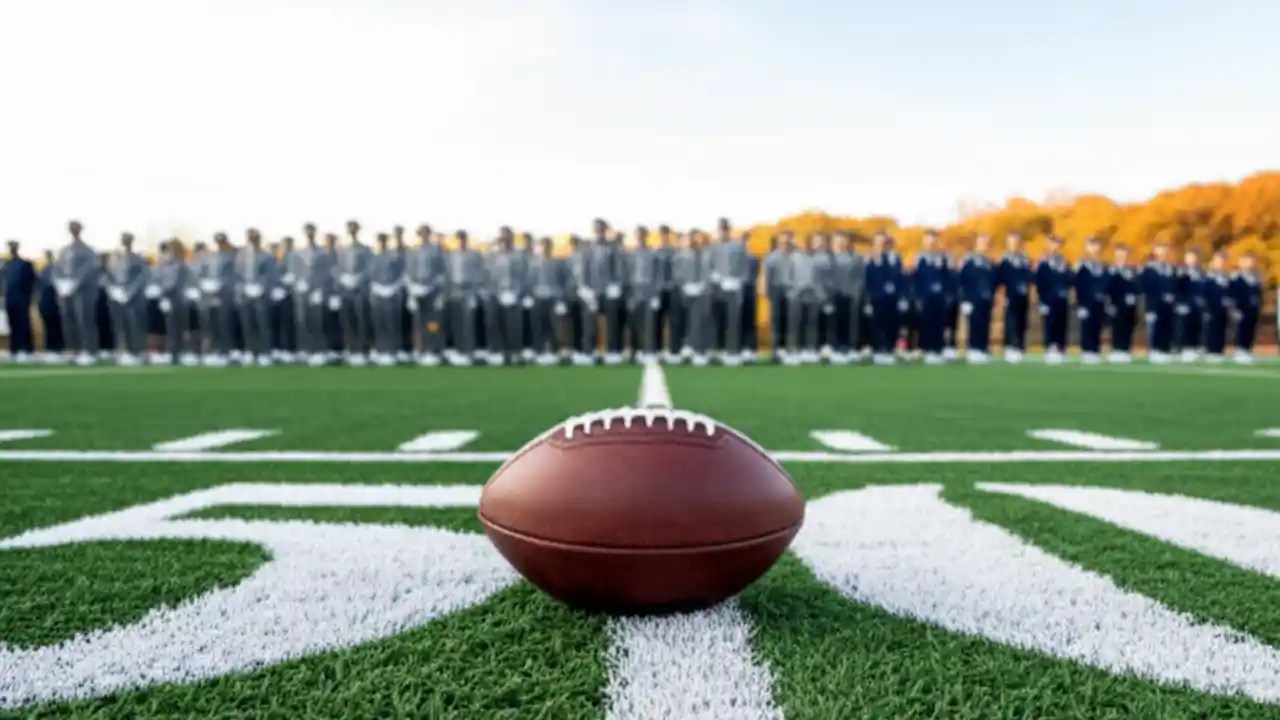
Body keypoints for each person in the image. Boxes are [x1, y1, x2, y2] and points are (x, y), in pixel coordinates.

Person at [52, 220, 100, 365]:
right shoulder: (64, 250)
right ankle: (72, 349)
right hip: (66, 291)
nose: (73, 231)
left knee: (84, 320)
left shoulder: (88, 250)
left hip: (83, 291)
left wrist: (75, 282)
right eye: (71, 228)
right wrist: (60, 284)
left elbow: (89, 269)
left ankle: (88, 350)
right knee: (68, 320)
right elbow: (57, 269)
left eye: (75, 228)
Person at [235, 228, 279, 365]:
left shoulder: (266, 256)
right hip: (245, 293)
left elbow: (270, 275)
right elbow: (238, 275)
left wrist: (260, 286)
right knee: (247, 324)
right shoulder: (241, 256)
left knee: (263, 323)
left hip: (261, 294)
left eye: (255, 237)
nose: (253, 240)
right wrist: (244, 288)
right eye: (250, 237)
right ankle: (250, 351)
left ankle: (265, 352)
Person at [103, 232, 148, 365]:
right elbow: (107, 276)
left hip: (133, 298)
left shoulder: (138, 258)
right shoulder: (115, 258)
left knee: (134, 325)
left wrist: (129, 292)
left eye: (128, 240)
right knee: (119, 325)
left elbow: (142, 277)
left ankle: (136, 352)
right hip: (117, 297)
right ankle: (121, 351)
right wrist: (113, 291)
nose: (126, 242)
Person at [406, 225, 447, 366]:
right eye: (421, 233)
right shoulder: (414, 251)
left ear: (429, 234)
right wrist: (412, 290)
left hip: (432, 290)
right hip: (417, 290)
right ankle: (420, 350)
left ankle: (433, 350)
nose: (423, 236)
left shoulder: (436, 250)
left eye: (426, 233)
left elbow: (442, 272)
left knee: (432, 323)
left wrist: (438, 291)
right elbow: (409, 271)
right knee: (418, 323)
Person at [486, 227, 526, 365]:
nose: (505, 240)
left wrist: (516, 293)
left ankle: (515, 353)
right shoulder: (494, 255)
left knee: (513, 325)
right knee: (496, 324)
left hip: (514, 294)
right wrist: (497, 293)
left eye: (508, 237)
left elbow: (524, 276)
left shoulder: (519, 255)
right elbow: (489, 275)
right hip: (497, 294)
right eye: (503, 237)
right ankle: (499, 353)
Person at [335, 220, 373, 365]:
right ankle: (350, 349)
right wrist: (344, 278)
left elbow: (370, 268)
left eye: (354, 228)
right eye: (350, 228)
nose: (352, 231)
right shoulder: (342, 250)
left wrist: (359, 277)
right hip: (346, 290)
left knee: (362, 319)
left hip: (361, 289)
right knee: (348, 320)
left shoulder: (366, 249)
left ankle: (363, 351)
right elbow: (337, 269)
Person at [913, 230, 954, 364]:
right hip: (925, 296)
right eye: (928, 240)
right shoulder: (919, 257)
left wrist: (948, 293)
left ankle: (938, 349)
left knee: (939, 322)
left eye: (933, 240)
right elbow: (915, 278)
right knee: (926, 322)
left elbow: (950, 277)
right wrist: (917, 296)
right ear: (924, 241)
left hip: (940, 296)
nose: (931, 243)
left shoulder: (944, 257)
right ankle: (926, 350)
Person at [671, 230, 711, 365]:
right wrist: (684, 286)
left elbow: (709, 272)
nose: (695, 241)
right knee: (683, 322)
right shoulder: (681, 255)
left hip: (702, 293)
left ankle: (699, 351)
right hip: (685, 292)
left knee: (698, 322)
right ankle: (685, 349)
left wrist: (702, 285)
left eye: (698, 238)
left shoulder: (706, 254)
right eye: (693, 238)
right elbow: (676, 273)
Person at [445, 230, 485, 366]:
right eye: (459, 238)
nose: (461, 241)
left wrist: (476, 291)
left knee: (468, 322)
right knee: (456, 322)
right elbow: (447, 273)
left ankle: (469, 351)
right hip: (455, 290)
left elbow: (480, 272)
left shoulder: (474, 254)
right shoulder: (451, 255)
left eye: (463, 238)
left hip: (469, 290)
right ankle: (459, 350)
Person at [152, 238, 194, 364]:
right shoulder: (162, 265)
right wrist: (162, 297)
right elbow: (158, 281)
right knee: (170, 327)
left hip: (179, 299)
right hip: (167, 299)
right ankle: (173, 353)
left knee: (180, 327)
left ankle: (181, 352)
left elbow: (179, 283)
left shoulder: (181, 266)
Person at [866, 231, 905, 365]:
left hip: (892, 298)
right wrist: (867, 301)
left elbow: (901, 279)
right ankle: (878, 350)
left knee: (892, 324)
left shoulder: (895, 259)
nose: (881, 246)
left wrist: (902, 297)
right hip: (876, 298)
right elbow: (866, 281)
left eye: (884, 243)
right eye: (878, 243)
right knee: (877, 324)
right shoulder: (870, 260)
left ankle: (889, 349)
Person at [527, 236, 567, 365]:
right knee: (538, 325)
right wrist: (528, 295)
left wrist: (561, 299)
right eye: (542, 245)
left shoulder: (558, 263)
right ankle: (539, 350)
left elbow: (564, 281)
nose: (544, 248)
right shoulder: (534, 263)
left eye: (547, 245)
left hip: (553, 298)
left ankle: (555, 350)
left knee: (554, 326)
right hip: (538, 297)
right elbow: (529, 282)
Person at [589, 219, 625, 364]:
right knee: (591, 322)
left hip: (609, 289)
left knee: (612, 321)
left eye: (602, 228)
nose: (600, 231)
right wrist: (585, 287)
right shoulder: (588, 248)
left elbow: (618, 268)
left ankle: (613, 351)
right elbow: (583, 269)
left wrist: (616, 285)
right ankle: (592, 351)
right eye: (597, 229)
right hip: (593, 291)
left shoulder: (613, 247)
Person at [625, 226, 661, 362]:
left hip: (649, 291)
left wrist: (656, 295)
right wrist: (629, 295)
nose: (640, 238)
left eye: (643, 235)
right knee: (633, 323)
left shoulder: (653, 254)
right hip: (634, 291)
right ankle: (634, 351)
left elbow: (658, 276)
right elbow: (626, 275)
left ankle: (648, 351)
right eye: (638, 235)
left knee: (649, 323)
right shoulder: (630, 255)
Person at [369, 231, 406, 366]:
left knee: (392, 323)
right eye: (380, 240)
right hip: (378, 293)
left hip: (392, 293)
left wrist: (393, 288)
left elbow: (401, 274)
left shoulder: (394, 258)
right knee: (379, 323)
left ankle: (392, 351)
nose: (382, 243)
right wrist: (376, 289)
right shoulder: (374, 258)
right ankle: (381, 351)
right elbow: (370, 276)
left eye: (384, 240)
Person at [958, 234, 995, 363]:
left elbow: (992, 280)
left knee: (985, 323)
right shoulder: (969, 260)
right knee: (974, 324)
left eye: (986, 243)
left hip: (986, 298)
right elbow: (963, 280)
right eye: (982, 243)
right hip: (973, 298)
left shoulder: (989, 262)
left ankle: (982, 348)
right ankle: (973, 349)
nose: (984, 246)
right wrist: (965, 299)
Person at [995, 231, 1031, 362]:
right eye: (1012, 241)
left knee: (1023, 321)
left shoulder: (1025, 259)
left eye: (1017, 241)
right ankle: (1010, 347)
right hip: (1009, 294)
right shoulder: (1004, 259)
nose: (1014, 244)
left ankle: (1020, 347)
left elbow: (1029, 277)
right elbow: (999, 278)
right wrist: (1001, 295)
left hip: (1023, 294)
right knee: (1011, 321)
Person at [1035, 235, 1072, 364]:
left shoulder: (1063, 262)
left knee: (1062, 324)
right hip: (1048, 299)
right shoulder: (1043, 262)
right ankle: (1050, 348)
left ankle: (1061, 348)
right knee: (1050, 324)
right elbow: (1039, 282)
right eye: (1054, 244)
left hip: (1062, 298)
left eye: (1058, 244)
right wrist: (1041, 300)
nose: (1056, 247)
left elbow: (1069, 279)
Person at [784, 233, 820, 365]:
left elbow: (820, 278)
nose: (808, 246)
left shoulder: (817, 258)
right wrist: (792, 290)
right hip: (796, 294)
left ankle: (809, 350)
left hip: (813, 294)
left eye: (810, 243)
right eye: (806, 243)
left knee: (811, 323)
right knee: (794, 324)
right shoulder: (793, 257)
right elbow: (787, 276)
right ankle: (793, 351)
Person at [830, 232, 865, 364]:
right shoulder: (829, 258)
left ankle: (850, 349)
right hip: (834, 295)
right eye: (838, 241)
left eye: (843, 241)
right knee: (835, 323)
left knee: (851, 323)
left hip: (852, 294)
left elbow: (860, 278)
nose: (841, 243)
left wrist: (858, 293)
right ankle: (836, 350)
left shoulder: (856, 257)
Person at [1074, 236, 1109, 364]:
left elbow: (1106, 283)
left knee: (1097, 326)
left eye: (1096, 245)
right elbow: (1078, 285)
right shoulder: (1082, 265)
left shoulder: (1102, 265)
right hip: (1086, 301)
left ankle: (1095, 350)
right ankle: (1087, 351)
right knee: (1087, 326)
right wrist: (1080, 304)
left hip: (1099, 301)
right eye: (1091, 245)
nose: (1094, 249)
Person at [1140, 241, 1177, 363]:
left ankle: (1164, 349)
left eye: (1165, 249)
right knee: (1155, 327)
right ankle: (1154, 350)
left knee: (1166, 326)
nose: (1163, 252)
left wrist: (1171, 296)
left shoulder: (1170, 269)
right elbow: (1146, 287)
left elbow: (1174, 285)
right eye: (1160, 249)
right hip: (1154, 304)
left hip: (1167, 304)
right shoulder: (1149, 269)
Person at [2, 240, 37, 361]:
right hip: (10, 299)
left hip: (22, 299)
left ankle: (26, 349)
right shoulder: (5, 265)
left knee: (23, 324)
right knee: (12, 324)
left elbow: (31, 282)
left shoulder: (25, 264)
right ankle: (14, 349)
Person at [1107, 244, 1140, 362]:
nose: (1122, 256)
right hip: (1116, 303)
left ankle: (1126, 349)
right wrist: (1110, 303)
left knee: (1128, 326)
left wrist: (1133, 296)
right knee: (1117, 327)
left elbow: (1137, 286)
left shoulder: (1132, 270)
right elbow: (1108, 287)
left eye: (1124, 253)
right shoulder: (1111, 270)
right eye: (1120, 253)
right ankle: (1116, 349)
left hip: (1130, 304)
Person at [566, 233, 595, 365]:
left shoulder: (589, 258)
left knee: (588, 323)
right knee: (575, 323)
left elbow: (593, 275)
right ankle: (577, 350)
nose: (576, 246)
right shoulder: (569, 259)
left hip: (588, 293)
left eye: (577, 243)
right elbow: (567, 278)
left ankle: (588, 350)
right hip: (573, 295)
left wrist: (590, 290)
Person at [1174, 248, 1207, 362]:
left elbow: (1203, 289)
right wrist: (1180, 303)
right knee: (1184, 327)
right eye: (1189, 257)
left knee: (1196, 326)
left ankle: (1193, 347)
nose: (1192, 260)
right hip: (1185, 305)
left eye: (1193, 257)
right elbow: (1178, 289)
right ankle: (1184, 349)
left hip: (1197, 305)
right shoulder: (1181, 272)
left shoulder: (1201, 272)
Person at [1231, 253, 1262, 364]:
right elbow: (1233, 294)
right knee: (1241, 328)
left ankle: (1247, 349)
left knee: (1251, 328)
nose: (1250, 264)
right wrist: (1235, 307)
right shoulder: (1237, 277)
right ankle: (1240, 350)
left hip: (1252, 308)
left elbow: (1258, 293)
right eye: (1248, 261)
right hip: (1241, 307)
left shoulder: (1256, 277)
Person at [1202, 249, 1232, 363]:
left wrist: (1228, 300)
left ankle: (1219, 350)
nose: (1221, 263)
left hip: (1223, 309)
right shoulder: (1209, 277)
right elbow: (1205, 293)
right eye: (1219, 261)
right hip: (1211, 308)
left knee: (1223, 328)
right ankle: (1211, 350)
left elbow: (1230, 292)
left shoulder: (1227, 277)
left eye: (1223, 261)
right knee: (1212, 328)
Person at [763, 233, 790, 361]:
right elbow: (767, 276)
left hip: (791, 291)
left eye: (787, 242)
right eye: (783, 242)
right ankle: (776, 351)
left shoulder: (794, 256)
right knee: (777, 321)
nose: (785, 244)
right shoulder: (771, 257)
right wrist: (768, 293)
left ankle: (787, 349)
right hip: (777, 290)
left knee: (790, 321)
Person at [36, 250, 65, 362]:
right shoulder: (46, 270)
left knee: (53, 328)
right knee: (52, 327)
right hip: (48, 303)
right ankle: (53, 349)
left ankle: (55, 350)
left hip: (51, 303)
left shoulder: (48, 270)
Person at [653, 225, 677, 362]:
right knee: (657, 322)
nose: (664, 237)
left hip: (672, 290)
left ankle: (673, 351)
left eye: (666, 234)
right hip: (659, 290)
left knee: (674, 321)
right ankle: (658, 350)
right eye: (662, 234)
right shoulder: (655, 252)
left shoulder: (675, 252)